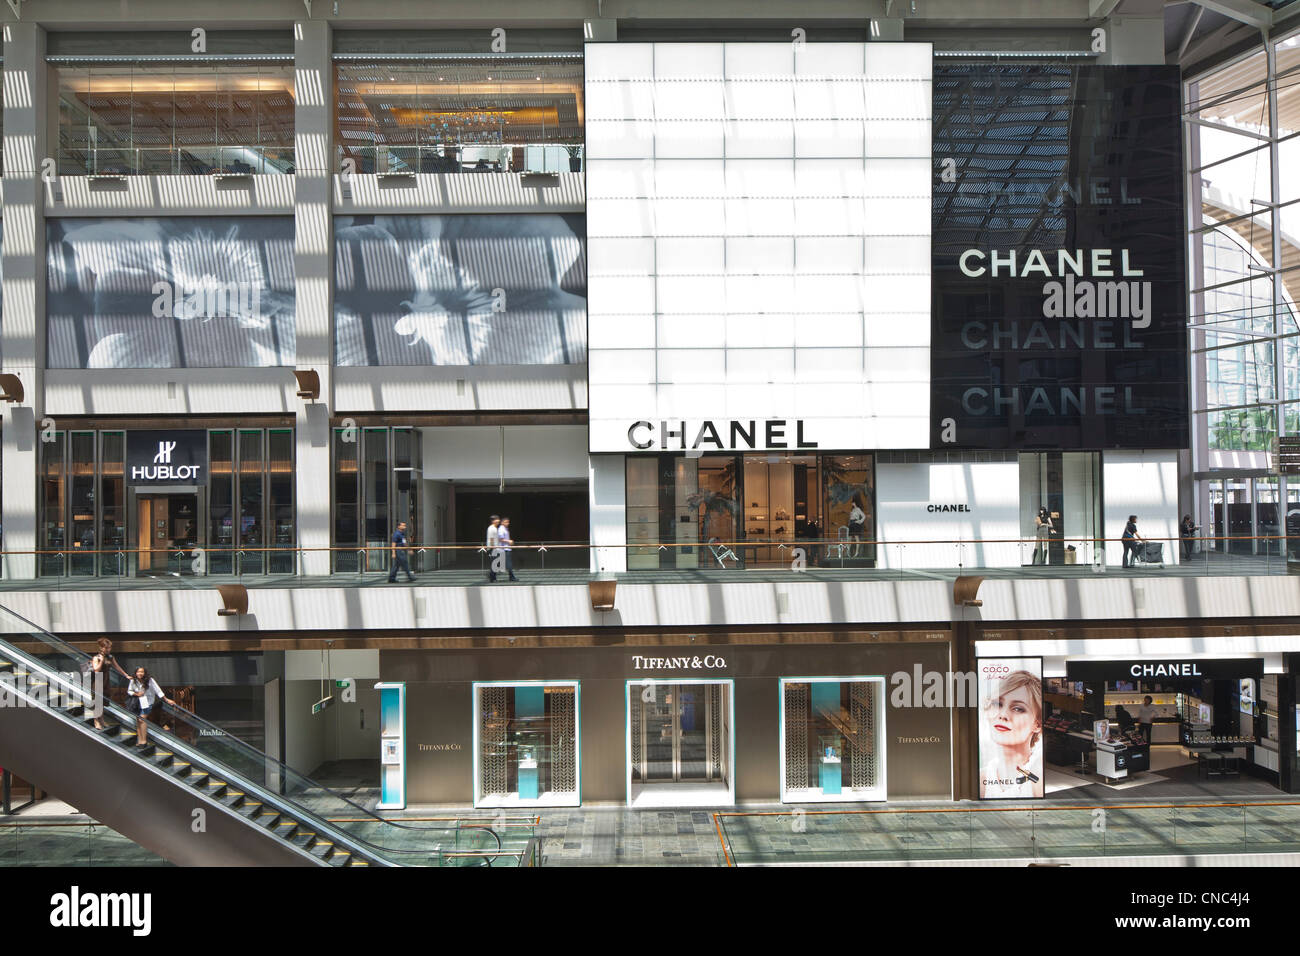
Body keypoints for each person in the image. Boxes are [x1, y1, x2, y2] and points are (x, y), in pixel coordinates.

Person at [979, 670, 1043, 799]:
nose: (1002, 715)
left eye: (1018, 709)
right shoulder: (981, 779)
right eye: (998, 704)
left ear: (1037, 724)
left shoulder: (1039, 778)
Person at [127, 667, 175, 747]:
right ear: (136, 673)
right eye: (138, 672)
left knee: (141, 719)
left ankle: (144, 741)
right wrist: (136, 694)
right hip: (137, 703)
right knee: (138, 721)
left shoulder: (150, 680)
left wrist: (166, 700)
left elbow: (158, 691)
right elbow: (129, 691)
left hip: (147, 702)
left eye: (142, 672)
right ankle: (140, 740)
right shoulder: (133, 680)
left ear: (145, 673)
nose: (140, 673)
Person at [498, 517, 519, 582]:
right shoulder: (501, 529)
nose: (508, 523)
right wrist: (509, 541)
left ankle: (492, 575)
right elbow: (501, 539)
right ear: (502, 522)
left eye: (508, 522)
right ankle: (511, 577)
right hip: (504, 549)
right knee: (508, 564)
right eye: (506, 522)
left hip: (506, 548)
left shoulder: (505, 528)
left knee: (502, 563)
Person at [485, 514, 501, 582]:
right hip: (493, 548)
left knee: (496, 563)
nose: (498, 520)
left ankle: (492, 575)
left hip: (495, 548)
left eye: (498, 519)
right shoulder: (491, 528)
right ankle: (492, 578)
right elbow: (491, 539)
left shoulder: (494, 528)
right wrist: (493, 548)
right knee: (495, 563)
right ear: (493, 521)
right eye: (497, 519)